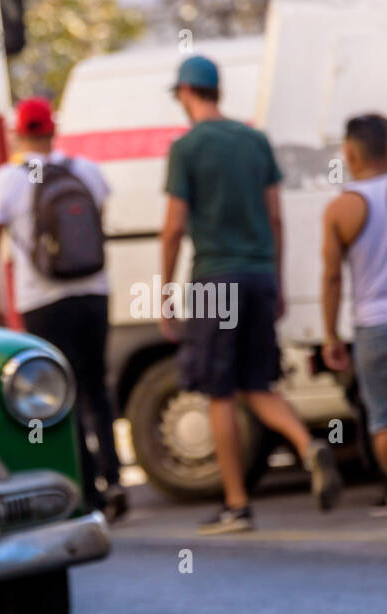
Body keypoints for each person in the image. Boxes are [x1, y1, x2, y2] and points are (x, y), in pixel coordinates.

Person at [159, 55, 341, 534]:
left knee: (218, 394)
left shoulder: (188, 147)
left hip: (214, 279)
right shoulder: (255, 140)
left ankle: (237, 505)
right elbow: (276, 217)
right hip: (260, 277)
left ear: (185, 92)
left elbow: (174, 228)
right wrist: (275, 279)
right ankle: (307, 446)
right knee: (257, 384)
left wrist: (165, 293)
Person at [0, 97, 127, 519]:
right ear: (53, 129)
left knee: (60, 391)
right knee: (97, 387)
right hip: (94, 290)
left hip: (42, 300)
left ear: (19, 134)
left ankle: (87, 488)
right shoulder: (87, 171)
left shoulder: (6, 181)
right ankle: (114, 478)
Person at [319, 113, 387, 515]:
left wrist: (330, 336)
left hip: (372, 324)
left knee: (381, 415)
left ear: (349, 152)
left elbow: (331, 278)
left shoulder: (343, 208)